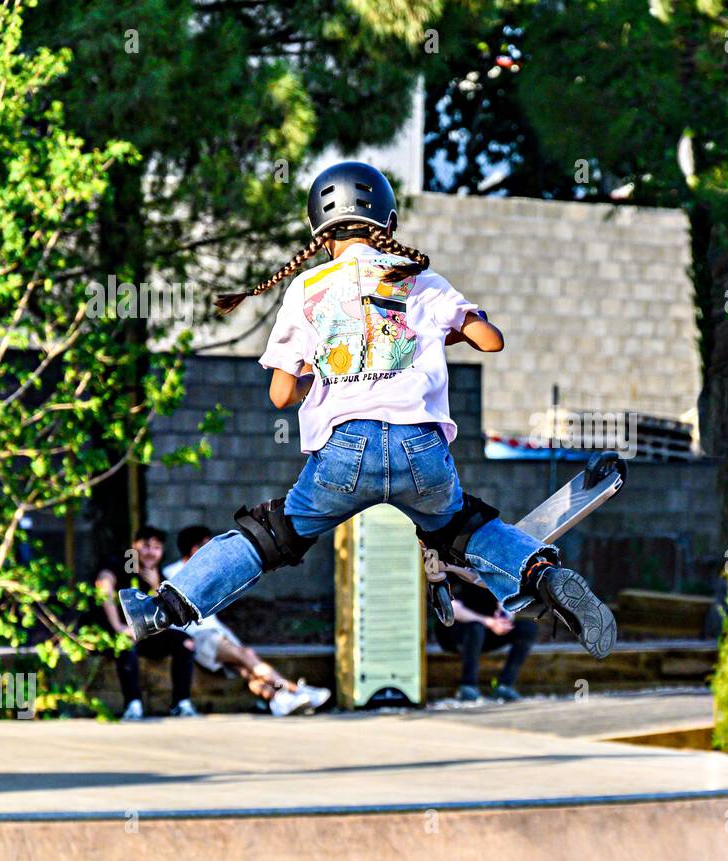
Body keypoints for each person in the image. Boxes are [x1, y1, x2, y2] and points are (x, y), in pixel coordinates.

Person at [116, 161, 617, 663]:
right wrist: (460, 324)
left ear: (320, 234)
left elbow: (279, 395)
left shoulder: (305, 289)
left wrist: (327, 377)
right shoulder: (420, 277)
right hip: (420, 450)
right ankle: (541, 577)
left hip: (341, 455)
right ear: (389, 225)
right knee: (463, 527)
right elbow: (491, 341)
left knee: (270, 536)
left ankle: (164, 608)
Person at [164, 526, 331, 717]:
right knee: (246, 656)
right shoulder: (173, 574)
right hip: (199, 636)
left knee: (245, 671)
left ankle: (277, 699)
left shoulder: (206, 571)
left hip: (216, 632)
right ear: (195, 549)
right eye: (206, 544)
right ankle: (294, 689)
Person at [94, 526, 196, 721]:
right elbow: (103, 586)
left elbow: (173, 614)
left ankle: (181, 703)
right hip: (116, 634)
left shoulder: (158, 574)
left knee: (186, 643)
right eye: (146, 546)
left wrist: (156, 585)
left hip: (146, 635)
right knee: (126, 643)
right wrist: (119, 626)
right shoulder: (126, 563)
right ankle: (133, 704)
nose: (151, 552)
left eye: (156, 547)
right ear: (135, 546)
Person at [434, 576, 537, 702]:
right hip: (456, 635)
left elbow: (508, 603)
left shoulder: (492, 572)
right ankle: (468, 687)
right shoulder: (455, 571)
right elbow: (454, 609)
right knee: (475, 629)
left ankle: (504, 686)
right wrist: (489, 622)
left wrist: (504, 618)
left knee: (527, 629)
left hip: (488, 633)